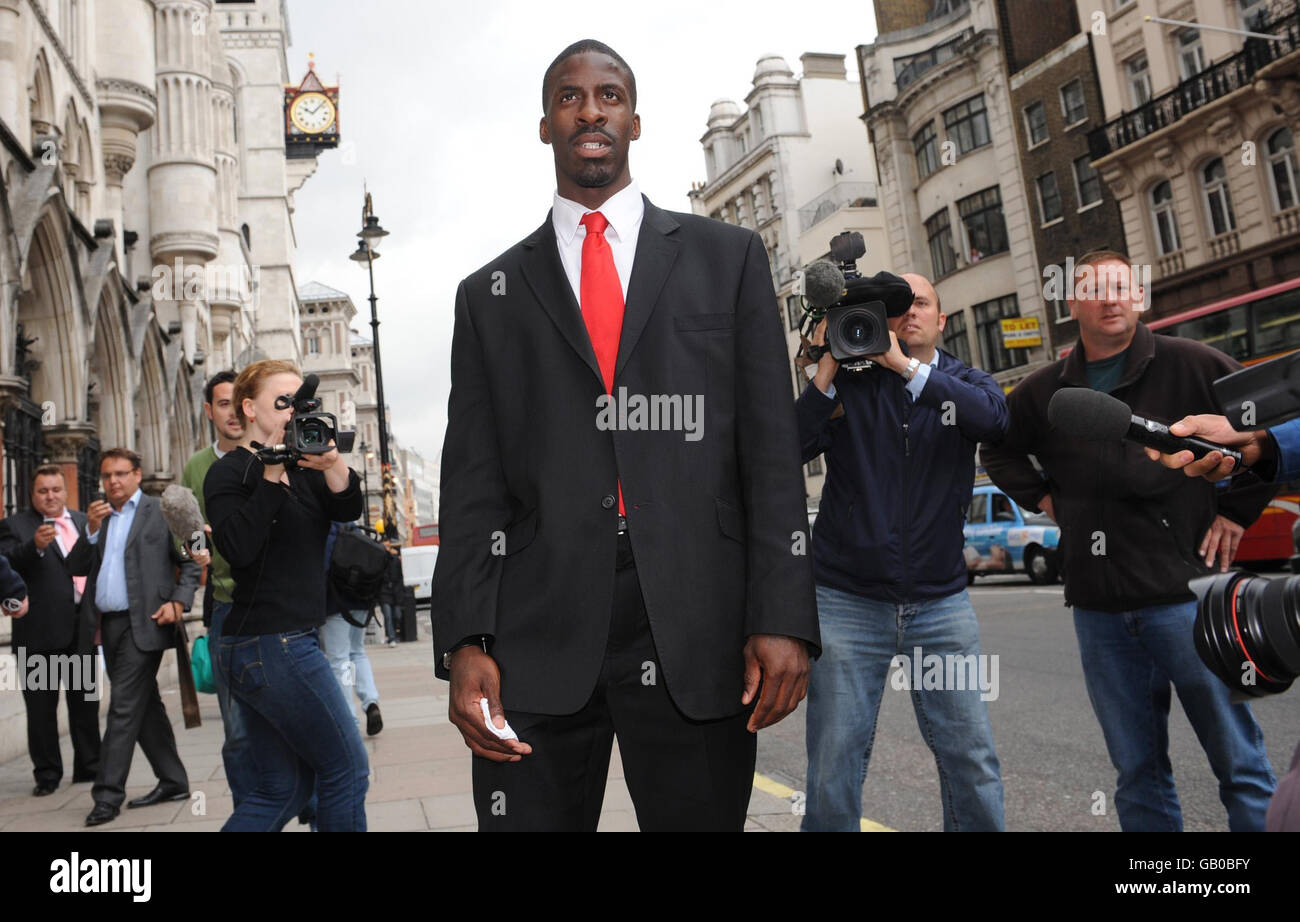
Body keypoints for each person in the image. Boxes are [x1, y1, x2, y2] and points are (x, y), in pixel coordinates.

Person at [432, 39, 819, 832]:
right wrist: (465, 640)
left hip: (694, 621)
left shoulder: (729, 259)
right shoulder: (489, 296)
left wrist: (782, 615)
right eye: (569, 98)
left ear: (634, 121)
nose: (590, 111)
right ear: (546, 125)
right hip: (534, 633)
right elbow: (472, 485)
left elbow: (771, 454)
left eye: (608, 95)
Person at [981, 250, 1278, 831]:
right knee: (1137, 772)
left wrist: (1238, 512)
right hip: (1098, 608)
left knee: (1239, 762)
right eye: (1095, 289)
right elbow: (997, 447)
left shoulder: (1194, 364)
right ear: (1073, 304)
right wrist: (1047, 500)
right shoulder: (1047, 391)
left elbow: (1261, 434)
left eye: (1122, 287)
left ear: (1141, 297)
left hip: (1188, 597)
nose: (1111, 298)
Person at [796, 273, 1008, 832]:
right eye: (899, 305)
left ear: (942, 320)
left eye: (922, 304)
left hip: (941, 605)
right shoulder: (851, 383)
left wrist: (905, 368)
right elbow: (787, 448)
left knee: (972, 761)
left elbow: (992, 420)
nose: (910, 313)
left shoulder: (964, 382)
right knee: (833, 767)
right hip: (846, 601)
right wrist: (825, 369)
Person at [204, 359, 368, 831]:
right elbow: (238, 548)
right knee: (347, 771)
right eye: (283, 403)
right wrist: (272, 474)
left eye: (301, 404)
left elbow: (348, 507)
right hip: (271, 644)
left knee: (285, 788)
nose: (293, 412)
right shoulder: (232, 471)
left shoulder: (309, 467)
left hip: (283, 642)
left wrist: (334, 461)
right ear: (249, 408)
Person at [75, 448, 201, 827]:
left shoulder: (159, 512)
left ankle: (107, 796)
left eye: (120, 473)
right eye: (106, 475)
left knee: (123, 707)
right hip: (107, 624)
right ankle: (174, 781)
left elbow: (191, 560)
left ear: (137, 475)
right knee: (144, 706)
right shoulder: (98, 518)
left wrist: (179, 603)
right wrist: (90, 534)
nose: (112, 481)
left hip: (144, 622)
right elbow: (75, 567)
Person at [0, 465, 99, 797]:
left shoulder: (84, 522)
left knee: (84, 702)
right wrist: (34, 547)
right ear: (32, 494)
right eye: (43, 491)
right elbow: (5, 566)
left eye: (56, 490)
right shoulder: (15, 525)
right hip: (38, 633)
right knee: (42, 709)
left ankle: (89, 767)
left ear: (65, 491)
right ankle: (47, 775)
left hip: (80, 629)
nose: (50, 496)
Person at [181, 369, 255, 808]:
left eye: (238, 402)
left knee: (290, 717)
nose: (232, 412)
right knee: (237, 727)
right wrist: (197, 549)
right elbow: (185, 530)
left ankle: (301, 795)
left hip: (282, 608)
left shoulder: (269, 454)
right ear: (209, 410)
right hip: (226, 606)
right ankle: (252, 806)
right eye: (222, 404)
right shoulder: (197, 466)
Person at [322, 521, 384, 736]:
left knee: (340, 661)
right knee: (357, 652)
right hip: (359, 600)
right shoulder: (350, 524)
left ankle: (349, 721)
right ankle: (370, 701)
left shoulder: (324, 525)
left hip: (336, 603)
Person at [378, 543, 403, 646]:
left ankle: (395, 635)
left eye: (388, 546)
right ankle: (391, 638)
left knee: (397, 615)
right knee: (388, 616)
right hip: (384, 593)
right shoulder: (379, 562)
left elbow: (400, 577)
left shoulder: (395, 561)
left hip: (395, 593)